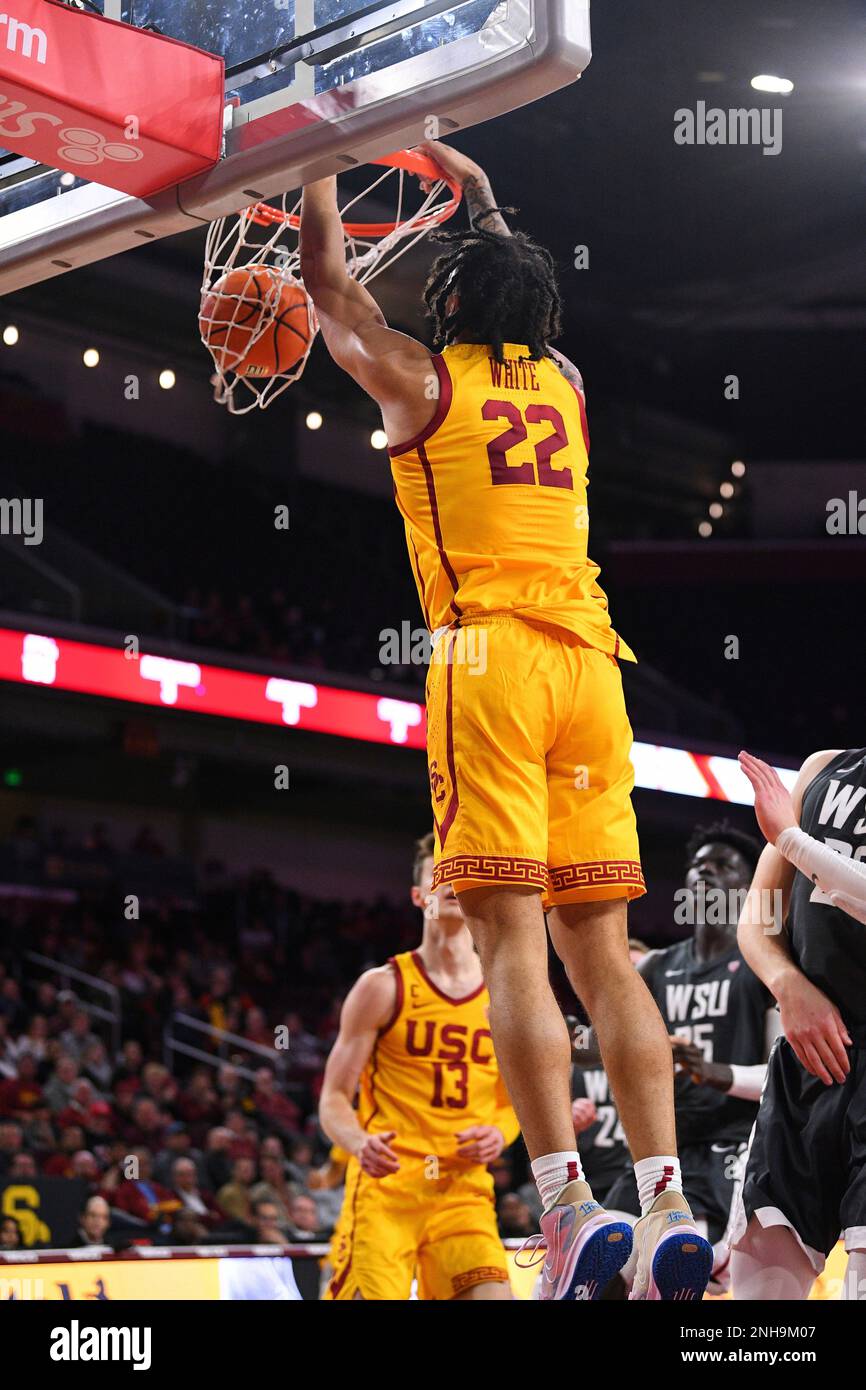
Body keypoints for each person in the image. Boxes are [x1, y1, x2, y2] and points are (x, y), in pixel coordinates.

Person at [300, 142, 711, 1299]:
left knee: (513, 942)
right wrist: (471, 192)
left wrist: (318, 161)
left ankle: (571, 1206)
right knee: (605, 953)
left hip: (489, 655)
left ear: (449, 305)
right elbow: (499, 260)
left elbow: (330, 283)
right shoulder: (566, 385)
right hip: (593, 665)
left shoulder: (419, 380)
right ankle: (667, 1193)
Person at [318, 833, 519, 1301]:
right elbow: (332, 1098)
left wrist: (500, 1135)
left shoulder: (506, 995)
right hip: (387, 1191)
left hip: (462, 1191)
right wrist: (357, 1142)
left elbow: (512, 1104)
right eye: (439, 871)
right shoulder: (382, 986)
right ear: (418, 894)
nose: (450, 880)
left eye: (459, 871)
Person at [596, 822, 779, 1295]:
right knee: (604, 1266)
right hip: (658, 1145)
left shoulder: (767, 962)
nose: (705, 872)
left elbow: (786, 1075)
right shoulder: (658, 966)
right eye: (698, 865)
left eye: (722, 866)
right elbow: (592, 1046)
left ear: (750, 884)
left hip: (727, 1146)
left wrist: (717, 1074)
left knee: (671, 1268)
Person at [732, 749, 866, 1300]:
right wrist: (788, 986)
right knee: (758, 1302)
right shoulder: (823, 768)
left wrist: (791, 838)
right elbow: (759, 920)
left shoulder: (795, 825)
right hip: (808, 1062)